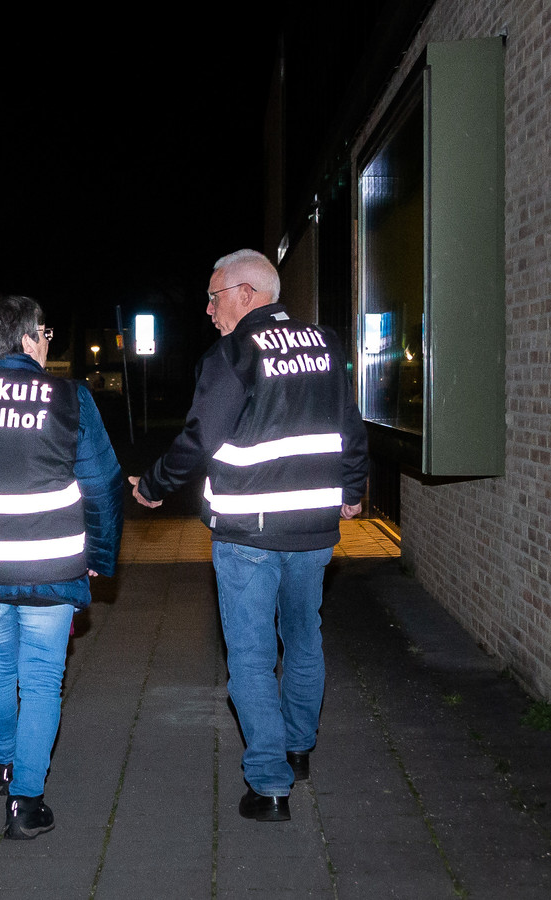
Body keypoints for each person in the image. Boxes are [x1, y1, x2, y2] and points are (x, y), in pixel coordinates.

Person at [129, 249, 368, 823]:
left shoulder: (232, 354)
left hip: (247, 534)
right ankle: (298, 749)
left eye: (214, 297)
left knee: (253, 658)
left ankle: (270, 787)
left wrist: (156, 485)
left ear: (248, 293)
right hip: (312, 527)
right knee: (304, 639)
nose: (209, 311)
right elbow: (349, 425)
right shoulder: (326, 345)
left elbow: (200, 437)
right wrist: (353, 489)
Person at [0, 295, 123, 840]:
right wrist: (100, 558)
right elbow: (103, 484)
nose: (49, 342)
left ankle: (2, 763)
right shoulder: (69, 397)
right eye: (46, 333)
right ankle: (25, 802)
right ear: (30, 338)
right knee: (40, 680)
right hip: (53, 566)